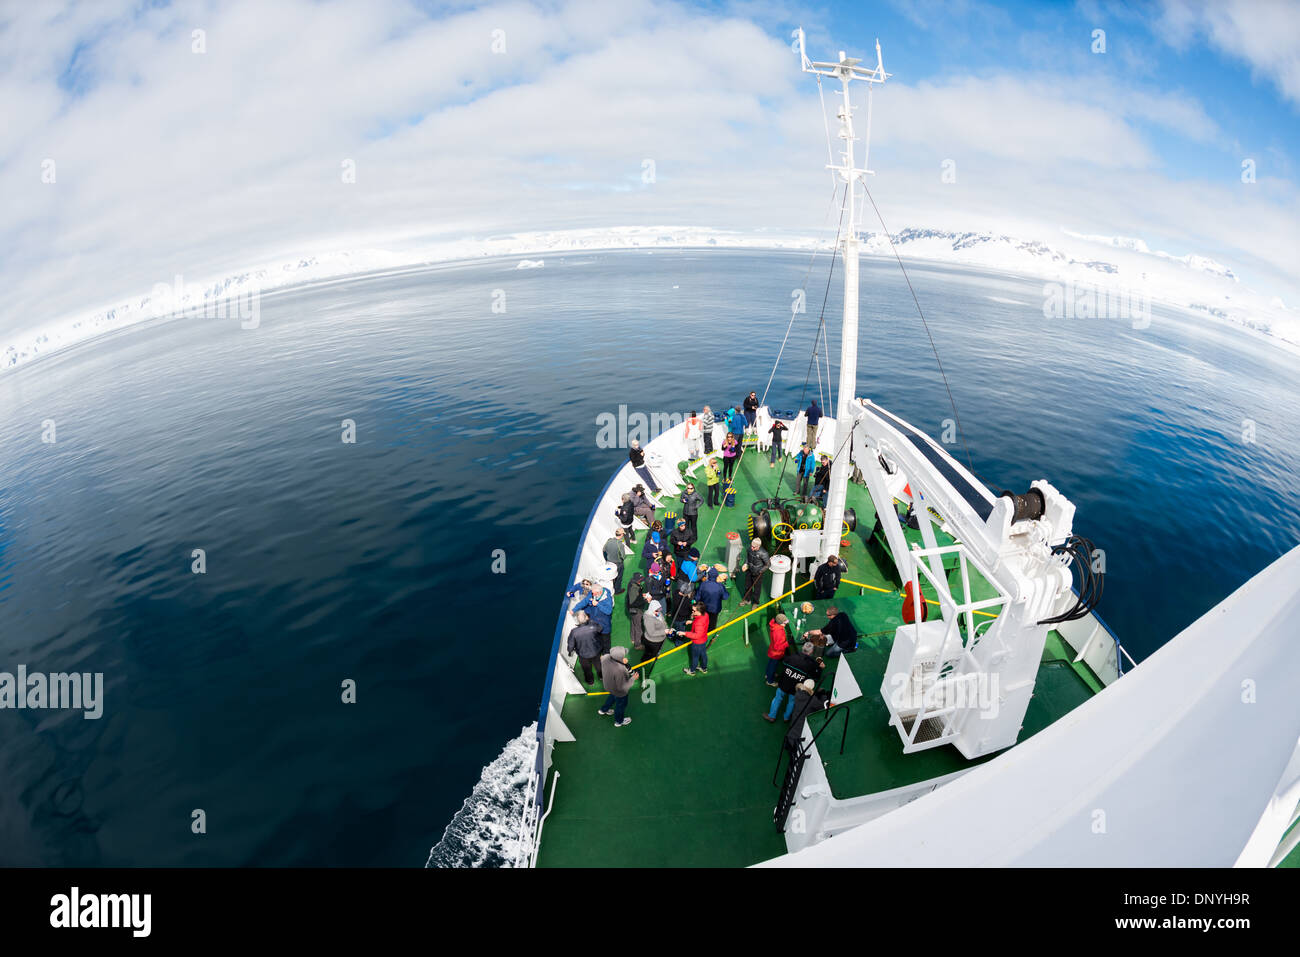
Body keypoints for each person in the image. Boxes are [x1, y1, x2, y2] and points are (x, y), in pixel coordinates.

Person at [764, 641, 824, 722]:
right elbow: (816, 678)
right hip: (796, 688)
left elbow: (784, 662)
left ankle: (772, 716)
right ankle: (786, 718)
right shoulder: (812, 665)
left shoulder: (792, 657)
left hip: (784, 684)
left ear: (803, 648)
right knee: (791, 702)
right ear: (811, 651)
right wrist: (820, 668)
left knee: (777, 699)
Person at [597, 647, 637, 727]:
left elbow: (603, 657)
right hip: (619, 691)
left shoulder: (606, 658)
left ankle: (603, 710)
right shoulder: (620, 670)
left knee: (612, 697)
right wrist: (633, 678)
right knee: (620, 705)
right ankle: (619, 721)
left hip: (609, 685)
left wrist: (621, 661)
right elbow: (622, 687)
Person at [572, 582, 614, 652]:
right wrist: (574, 610)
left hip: (604, 624)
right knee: (597, 639)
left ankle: (606, 654)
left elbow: (609, 611)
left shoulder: (607, 599)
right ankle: (600, 650)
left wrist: (597, 604)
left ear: (599, 592)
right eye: (592, 593)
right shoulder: (592, 594)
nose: (592, 594)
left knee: (606, 641)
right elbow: (584, 602)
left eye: (594, 593)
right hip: (594, 622)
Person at [567, 611, 604, 687]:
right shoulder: (593, 626)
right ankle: (601, 677)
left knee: (587, 669)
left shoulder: (574, 632)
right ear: (586, 617)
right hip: (595, 652)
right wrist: (590, 621)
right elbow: (600, 628)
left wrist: (570, 651)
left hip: (583, 655)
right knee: (598, 665)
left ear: (578, 620)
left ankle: (590, 682)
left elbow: (570, 645)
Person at [681, 602, 711, 676]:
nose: (692, 612)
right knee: (703, 654)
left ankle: (692, 671)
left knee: (695, 657)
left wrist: (685, 633)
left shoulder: (699, 623)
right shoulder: (705, 614)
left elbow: (697, 635)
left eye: (694, 611)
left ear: (699, 611)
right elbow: (700, 623)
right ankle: (704, 668)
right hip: (704, 639)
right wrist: (692, 622)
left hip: (697, 643)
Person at [639, 599, 670, 671]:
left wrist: (667, 628)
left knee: (655, 652)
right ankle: (643, 664)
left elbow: (663, 621)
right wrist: (664, 631)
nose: (659, 612)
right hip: (652, 642)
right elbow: (651, 633)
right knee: (649, 654)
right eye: (657, 610)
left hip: (660, 640)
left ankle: (654, 655)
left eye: (659, 609)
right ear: (652, 609)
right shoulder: (648, 619)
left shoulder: (657, 613)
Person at [696, 567, 730, 632]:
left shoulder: (703, 584)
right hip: (715, 609)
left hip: (704, 608)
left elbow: (697, 597)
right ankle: (710, 635)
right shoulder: (720, 586)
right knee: (712, 624)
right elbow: (725, 597)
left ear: (708, 575)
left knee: (703, 622)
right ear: (717, 576)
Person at [739, 537, 771, 606]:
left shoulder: (764, 553)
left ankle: (755, 603)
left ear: (758, 546)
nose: (752, 548)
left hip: (758, 574)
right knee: (747, 586)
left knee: (757, 589)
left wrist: (760, 571)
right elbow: (747, 557)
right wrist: (745, 564)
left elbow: (768, 564)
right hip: (749, 571)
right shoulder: (750, 549)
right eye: (751, 546)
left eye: (754, 547)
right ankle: (747, 600)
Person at [765, 612, 791, 685]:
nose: (785, 624)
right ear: (779, 623)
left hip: (772, 651)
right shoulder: (778, 632)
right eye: (784, 623)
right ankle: (770, 681)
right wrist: (787, 643)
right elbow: (777, 647)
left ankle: (768, 674)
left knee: (770, 663)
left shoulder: (775, 626)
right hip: (776, 653)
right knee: (773, 666)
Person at [625, 571, 649, 648]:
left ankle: (633, 638)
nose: (641, 581)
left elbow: (635, 597)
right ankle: (638, 644)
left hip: (631, 610)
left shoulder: (632, 583)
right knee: (638, 627)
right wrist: (644, 600)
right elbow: (633, 602)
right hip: (636, 610)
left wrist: (641, 595)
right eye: (640, 580)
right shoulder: (634, 588)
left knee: (633, 623)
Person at [604, 528, 627, 594]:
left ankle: (611, 588)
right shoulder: (620, 544)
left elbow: (604, 550)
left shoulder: (609, 541)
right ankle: (617, 590)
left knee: (611, 577)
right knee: (619, 577)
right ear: (622, 534)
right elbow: (623, 556)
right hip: (618, 563)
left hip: (609, 562)